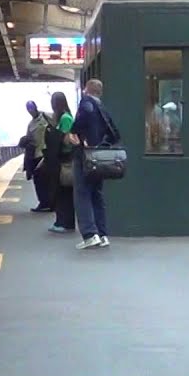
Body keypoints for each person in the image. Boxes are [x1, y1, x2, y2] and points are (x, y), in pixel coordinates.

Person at [72, 80, 114, 250]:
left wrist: (75, 134)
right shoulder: (102, 108)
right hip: (100, 158)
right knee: (97, 194)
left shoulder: (86, 103)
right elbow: (114, 134)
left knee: (82, 193)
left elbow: (78, 126)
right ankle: (103, 235)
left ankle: (89, 234)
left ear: (86, 90)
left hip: (85, 157)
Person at [46, 92, 76, 234]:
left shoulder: (65, 118)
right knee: (63, 193)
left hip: (64, 161)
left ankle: (65, 222)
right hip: (61, 160)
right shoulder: (62, 117)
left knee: (63, 192)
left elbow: (65, 139)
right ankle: (62, 221)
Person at [25, 101, 53, 212]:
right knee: (38, 181)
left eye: (31, 108)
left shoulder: (47, 117)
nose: (30, 111)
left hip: (47, 153)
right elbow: (28, 138)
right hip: (36, 155)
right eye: (28, 110)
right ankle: (43, 202)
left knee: (48, 180)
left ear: (36, 107)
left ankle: (50, 203)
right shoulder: (30, 124)